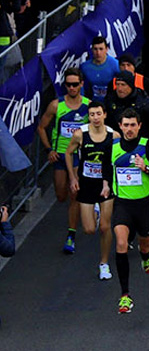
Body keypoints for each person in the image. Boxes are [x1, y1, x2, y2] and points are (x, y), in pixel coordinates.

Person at [108, 109, 149, 314]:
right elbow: (108, 170)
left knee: (144, 243)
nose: (129, 129)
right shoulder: (113, 146)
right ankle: (125, 295)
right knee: (122, 243)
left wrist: (146, 168)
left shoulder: (148, 146)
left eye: (133, 125)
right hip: (122, 203)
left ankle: (146, 255)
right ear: (120, 126)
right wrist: (106, 185)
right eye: (126, 125)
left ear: (139, 126)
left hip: (143, 204)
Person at [39, 67, 90, 254]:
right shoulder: (56, 105)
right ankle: (75, 204)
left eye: (75, 84)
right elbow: (42, 127)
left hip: (77, 155)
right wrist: (49, 149)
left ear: (81, 84)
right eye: (68, 85)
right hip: (60, 155)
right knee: (61, 195)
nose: (71, 88)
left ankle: (71, 234)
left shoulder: (88, 106)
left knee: (74, 194)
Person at [64, 101, 115, 280]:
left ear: (105, 115)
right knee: (89, 230)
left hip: (106, 185)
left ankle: (104, 263)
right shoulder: (80, 134)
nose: (95, 118)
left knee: (105, 227)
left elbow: (117, 159)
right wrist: (72, 177)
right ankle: (95, 211)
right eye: (92, 114)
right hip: (86, 184)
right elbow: (68, 153)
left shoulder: (113, 135)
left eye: (98, 114)